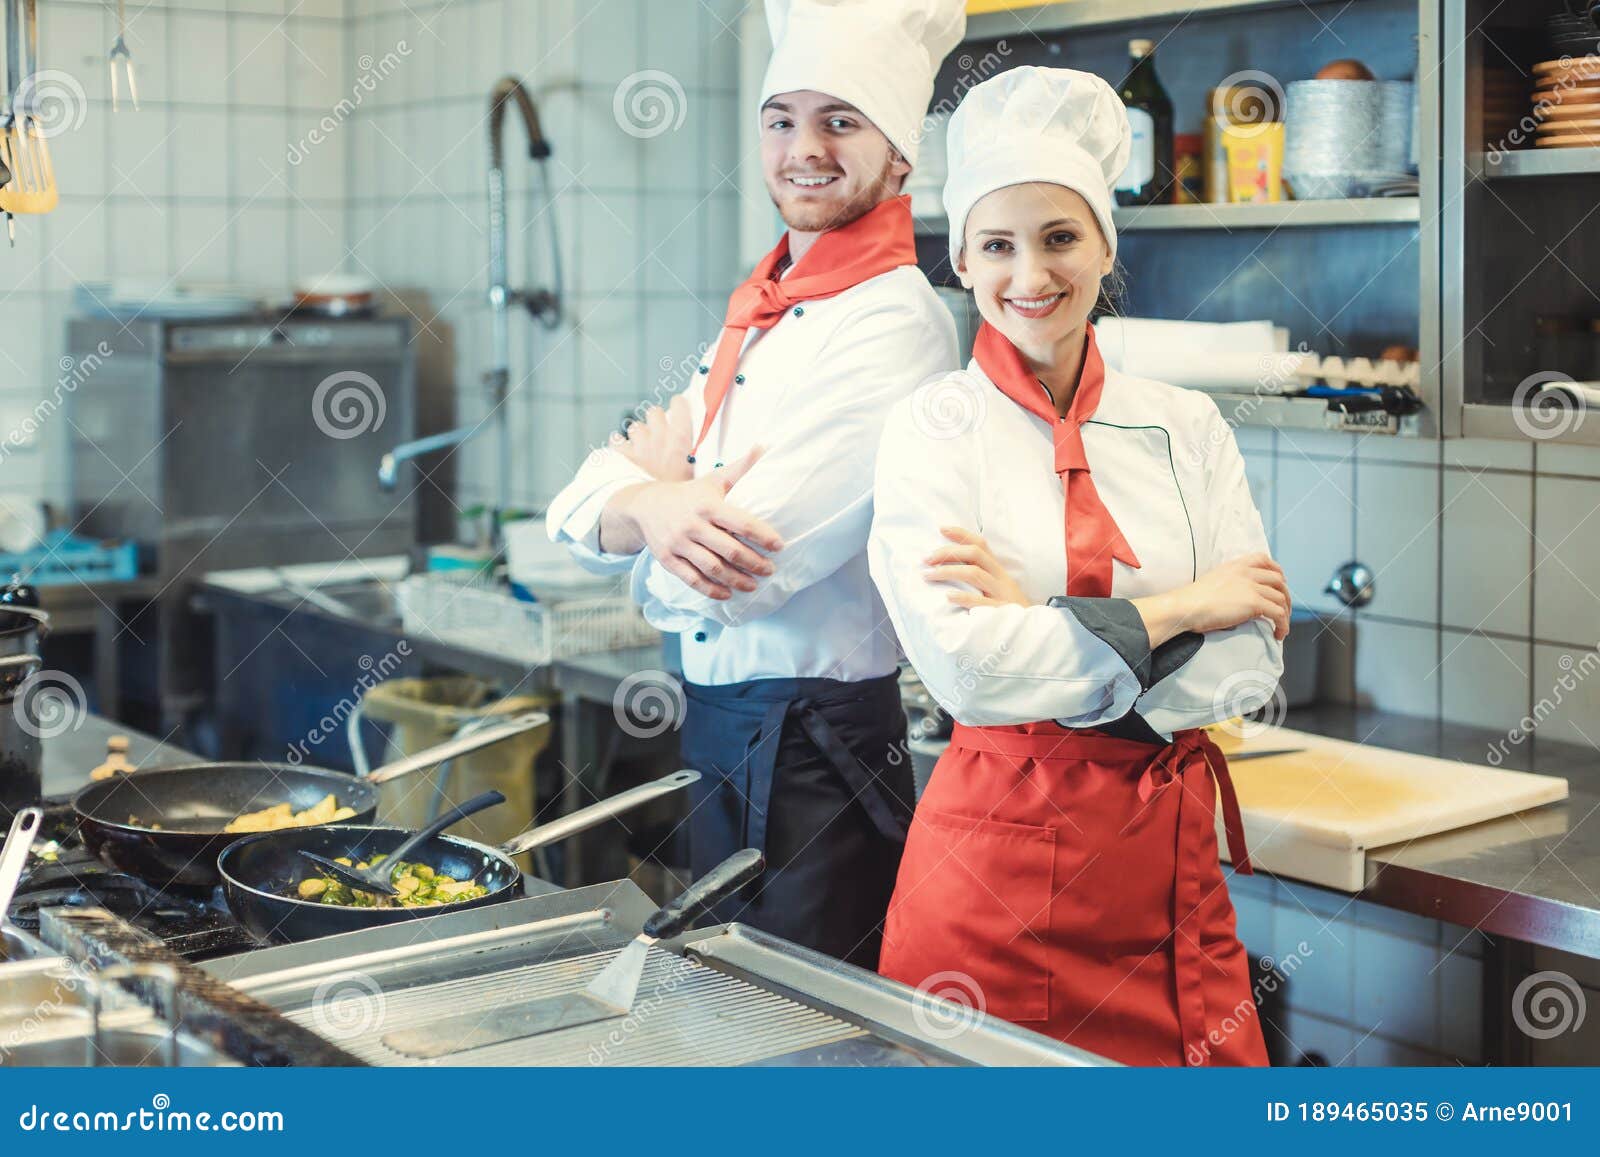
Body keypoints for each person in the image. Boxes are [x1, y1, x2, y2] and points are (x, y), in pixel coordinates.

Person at [866, 66, 1292, 1066]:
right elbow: (968, 669)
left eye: (1059, 237)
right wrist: (1180, 605)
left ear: (1105, 242)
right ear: (961, 262)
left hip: (1172, 879)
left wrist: (1043, 625)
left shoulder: (1185, 423)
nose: (1032, 274)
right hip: (991, 895)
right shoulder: (932, 431)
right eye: (997, 244)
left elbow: (1247, 662)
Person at [546, 0, 966, 969]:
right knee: (725, 1015)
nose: (802, 148)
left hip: (817, 757)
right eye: (781, 119)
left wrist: (653, 508)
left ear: (900, 155)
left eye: (840, 121)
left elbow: (736, 564)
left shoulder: (897, 322)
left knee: (807, 1054)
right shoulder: (768, 305)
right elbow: (582, 498)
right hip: (722, 734)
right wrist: (652, 501)